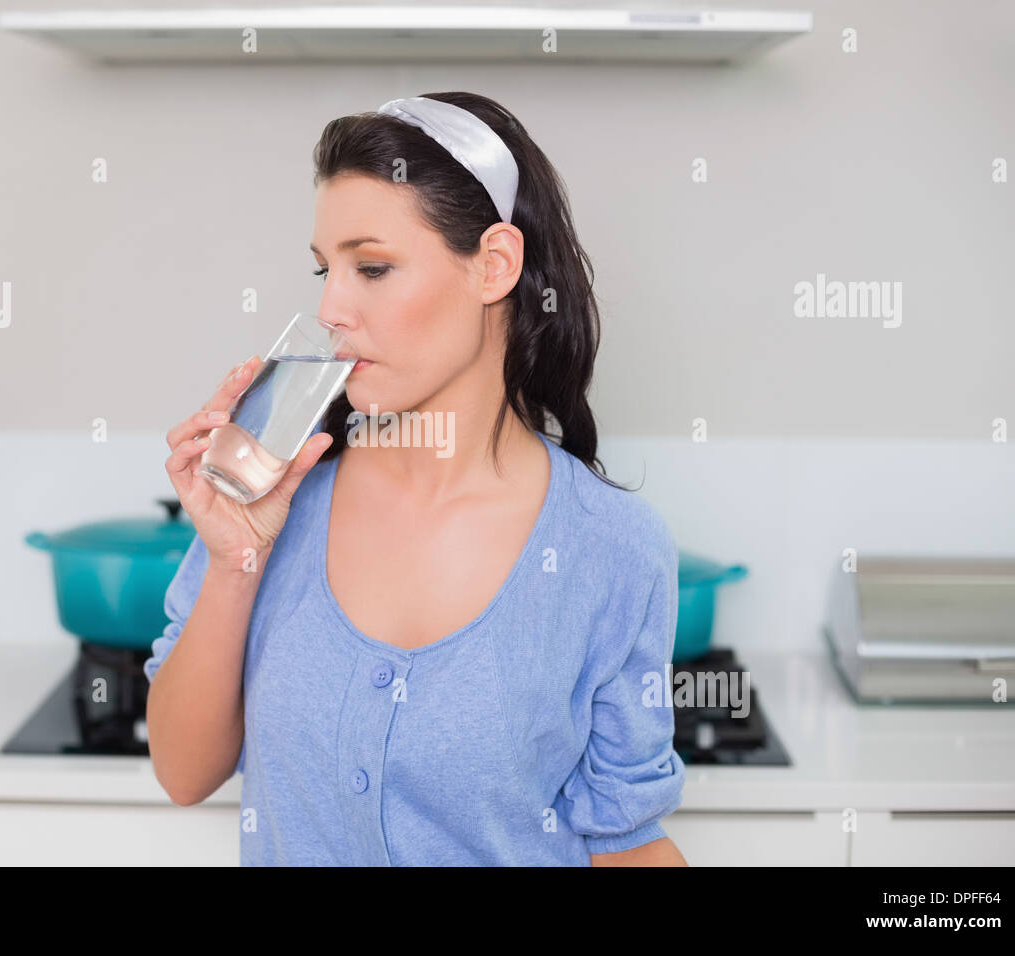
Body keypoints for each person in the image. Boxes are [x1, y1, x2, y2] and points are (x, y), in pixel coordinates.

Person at [146, 91, 687, 866]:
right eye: (325, 270)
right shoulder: (273, 503)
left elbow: (627, 840)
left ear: (494, 266)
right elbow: (183, 771)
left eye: (372, 267)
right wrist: (235, 565)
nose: (331, 308)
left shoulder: (611, 548)